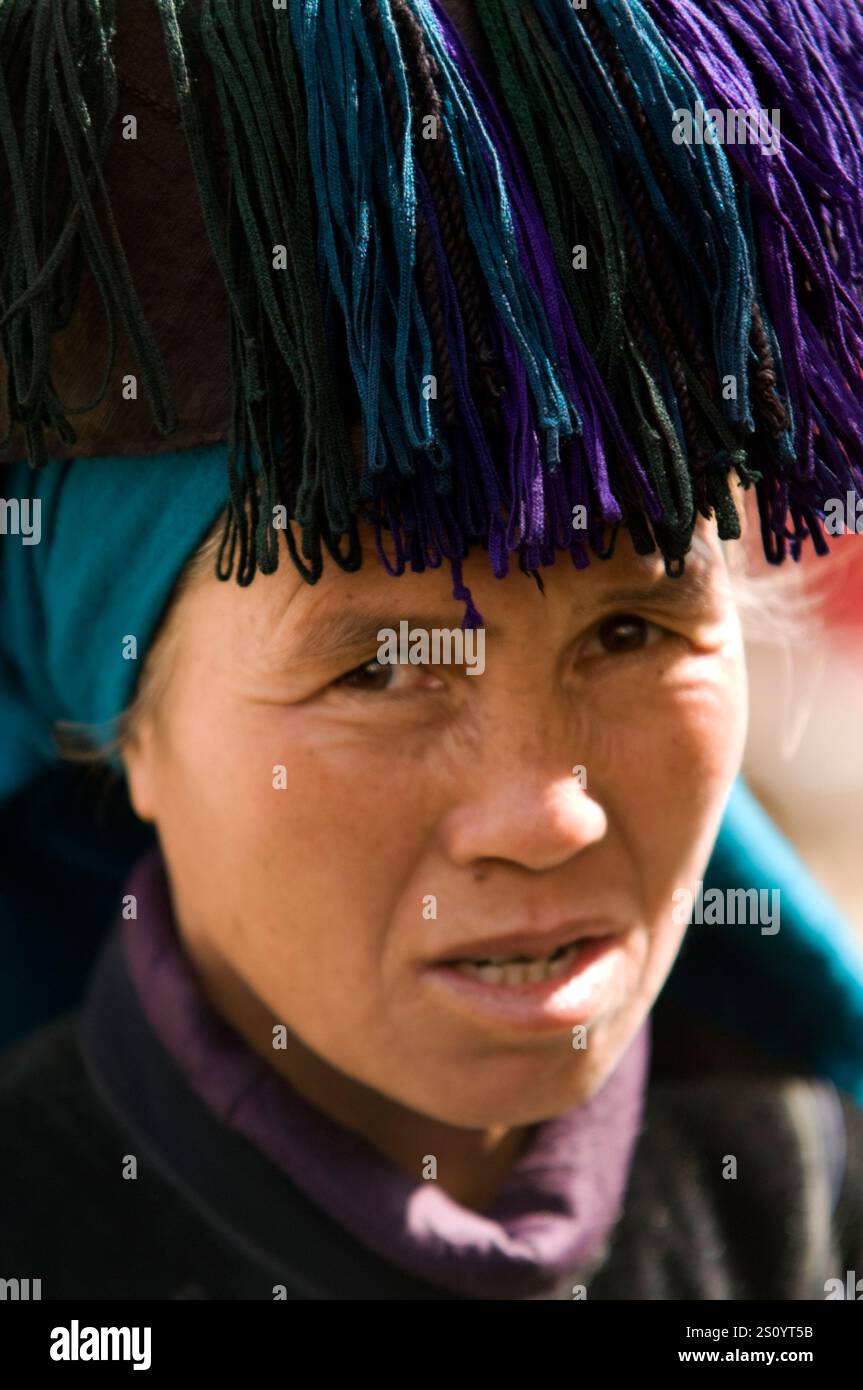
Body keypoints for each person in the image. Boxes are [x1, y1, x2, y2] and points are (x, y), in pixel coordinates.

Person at [1, 0, 862, 1301]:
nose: (548, 813)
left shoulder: (803, 1200)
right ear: (126, 729)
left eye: (630, 628)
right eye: (382, 668)